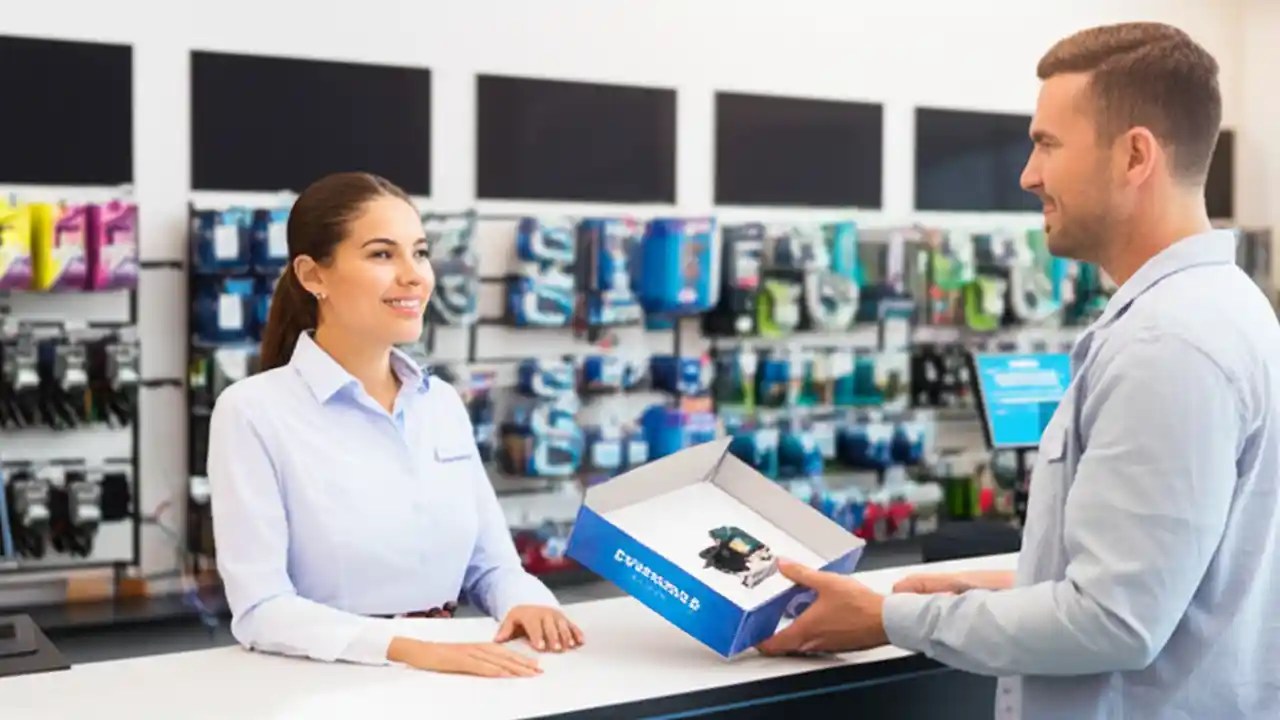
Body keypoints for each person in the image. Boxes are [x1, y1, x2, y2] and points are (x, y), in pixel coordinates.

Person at [758, 22, 1280, 719]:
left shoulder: (1170, 344)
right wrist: (1007, 588)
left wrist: (889, 619)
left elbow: (1114, 622)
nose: (1028, 175)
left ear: (1134, 156)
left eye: (1047, 144)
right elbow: (1171, 578)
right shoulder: (1222, 308)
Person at [207, 172, 583, 679]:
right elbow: (261, 609)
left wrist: (527, 603)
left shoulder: (442, 404)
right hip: (320, 686)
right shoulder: (252, 411)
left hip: (455, 680)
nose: (415, 276)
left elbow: (491, 565)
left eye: (420, 252)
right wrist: (411, 648)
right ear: (313, 275)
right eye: (382, 255)